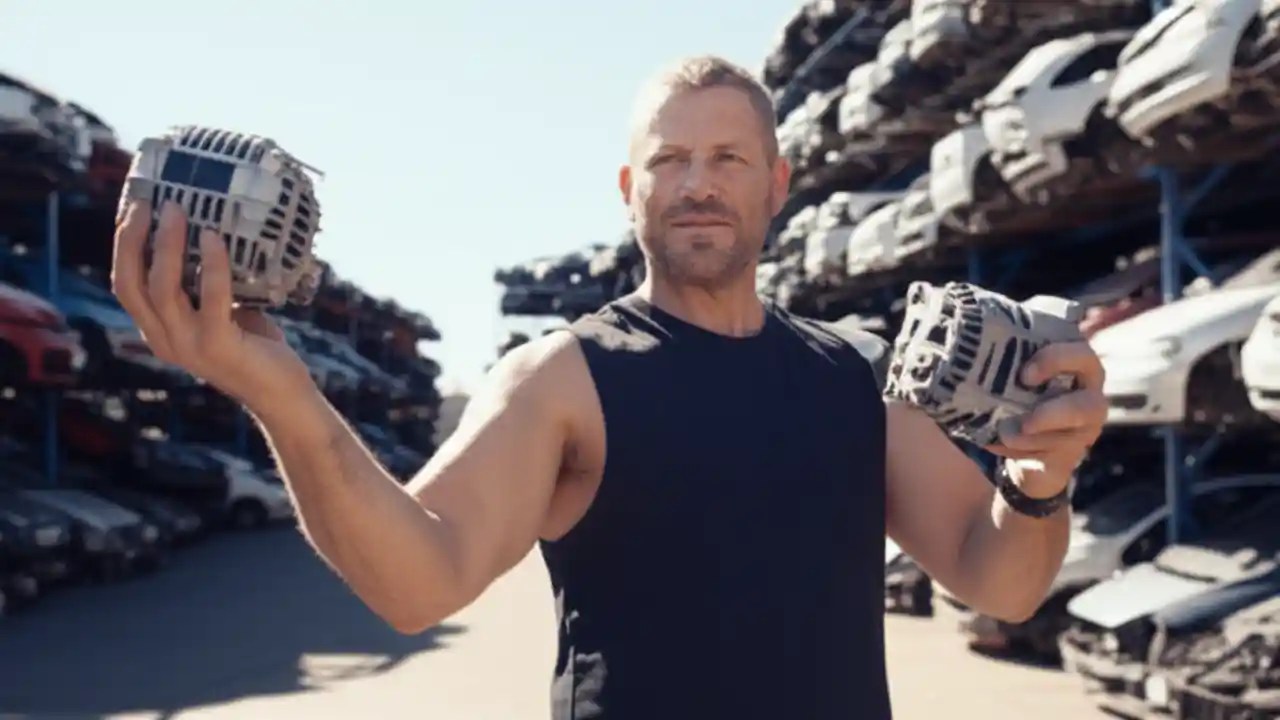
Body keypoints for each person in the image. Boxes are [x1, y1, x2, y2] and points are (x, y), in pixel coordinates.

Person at [110, 55, 1107, 720]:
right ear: (629, 191)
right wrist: (279, 390)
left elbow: (1000, 579)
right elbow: (417, 583)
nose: (697, 182)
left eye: (726, 157)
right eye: (668, 159)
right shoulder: (564, 380)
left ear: (775, 183)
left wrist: (1035, 480)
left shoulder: (853, 376)